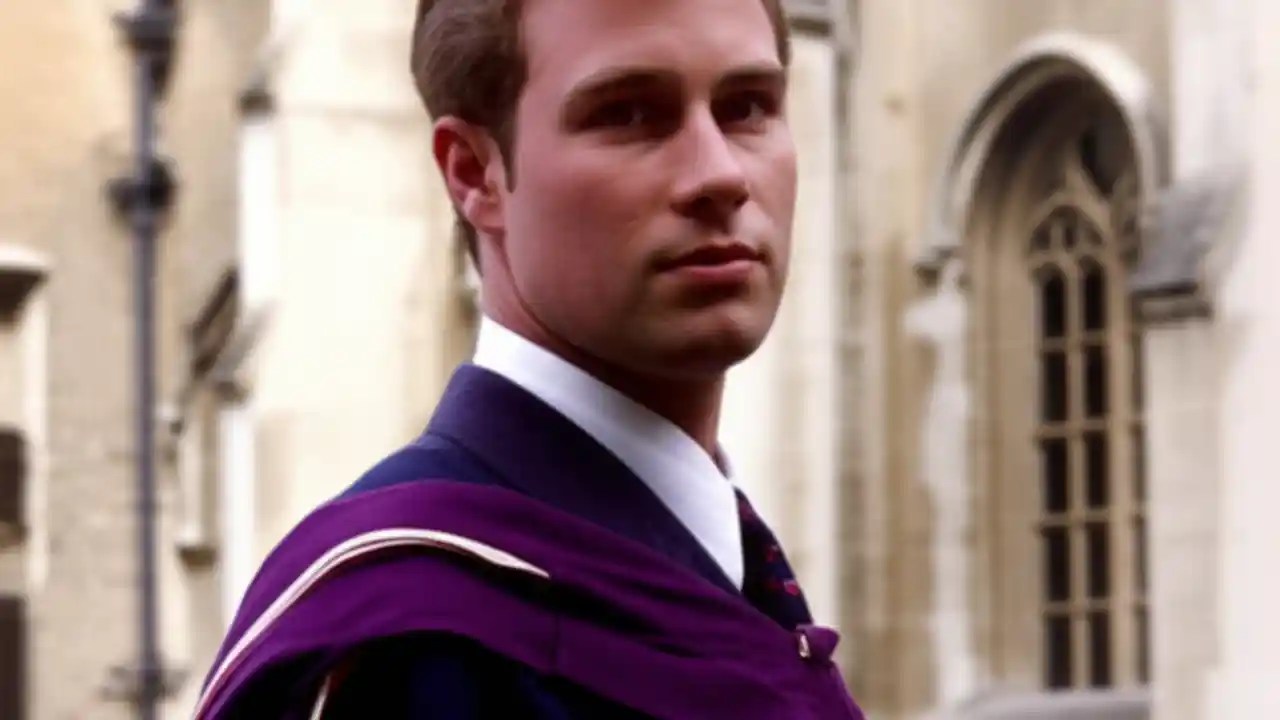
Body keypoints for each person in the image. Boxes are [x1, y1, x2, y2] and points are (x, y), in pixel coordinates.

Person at [196, 0, 864, 717]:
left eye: (747, 107)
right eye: (630, 114)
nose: (720, 174)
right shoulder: (426, 638)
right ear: (474, 173)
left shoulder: (733, 570)